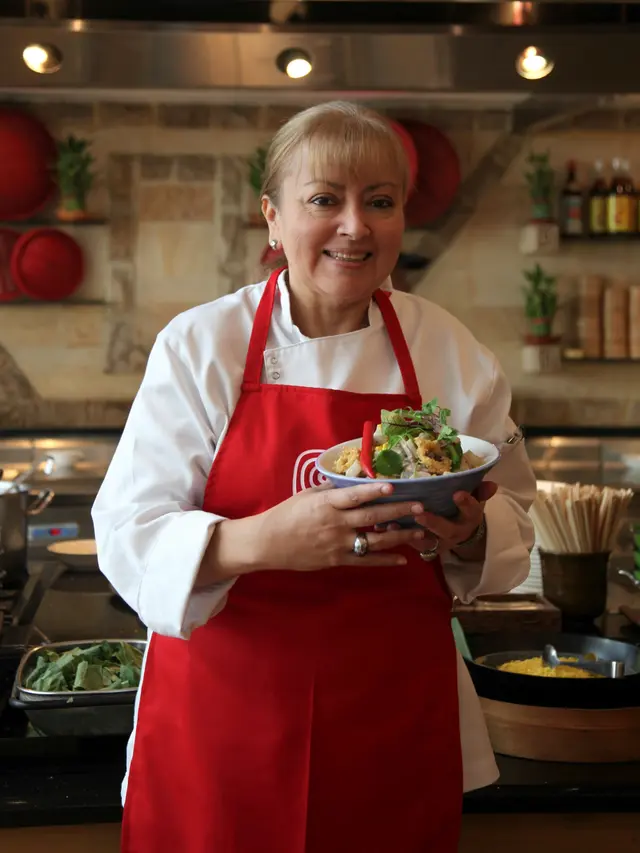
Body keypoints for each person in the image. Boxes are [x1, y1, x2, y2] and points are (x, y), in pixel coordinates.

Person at [93, 100, 536, 853]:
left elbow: (516, 518)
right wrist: (257, 540)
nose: (355, 226)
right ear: (273, 217)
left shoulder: (452, 353)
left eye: (381, 202)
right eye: (325, 199)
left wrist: (469, 531)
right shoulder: (203, 345)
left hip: (390, 724)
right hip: (220, 730)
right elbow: (127, 533)